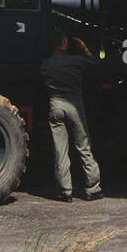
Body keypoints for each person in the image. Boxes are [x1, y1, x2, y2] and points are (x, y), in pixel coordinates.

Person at [39, 28, 103, 202]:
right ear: (65, 43)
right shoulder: (77, 61)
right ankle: (92, 188)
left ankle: (65, 191)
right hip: (74, 104)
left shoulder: (45, 64)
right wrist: (84, 49)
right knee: (83, 146)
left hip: (55, 105)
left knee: (60, 150)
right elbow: (96, 65)